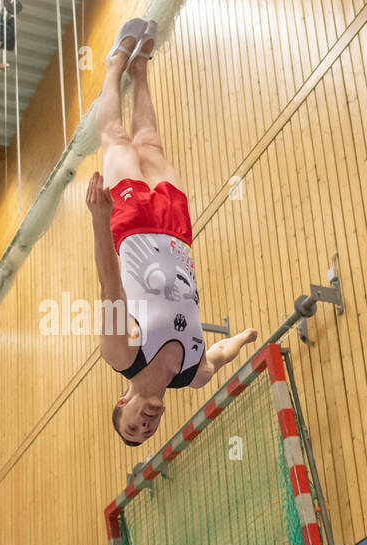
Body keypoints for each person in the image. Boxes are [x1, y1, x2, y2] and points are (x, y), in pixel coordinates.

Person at [87, 17, 258, 447]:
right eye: (146, 432)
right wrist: (243, 338)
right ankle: (141, 69)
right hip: (177, 234)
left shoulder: (120, 354)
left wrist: (98, 218)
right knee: (150, 144)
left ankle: (114, 64)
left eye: (132, 425)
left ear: (121, 401)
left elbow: (110, 284)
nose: (145, 425)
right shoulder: (192, 374)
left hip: (131, 228)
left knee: (117, 140)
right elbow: (218, 357)